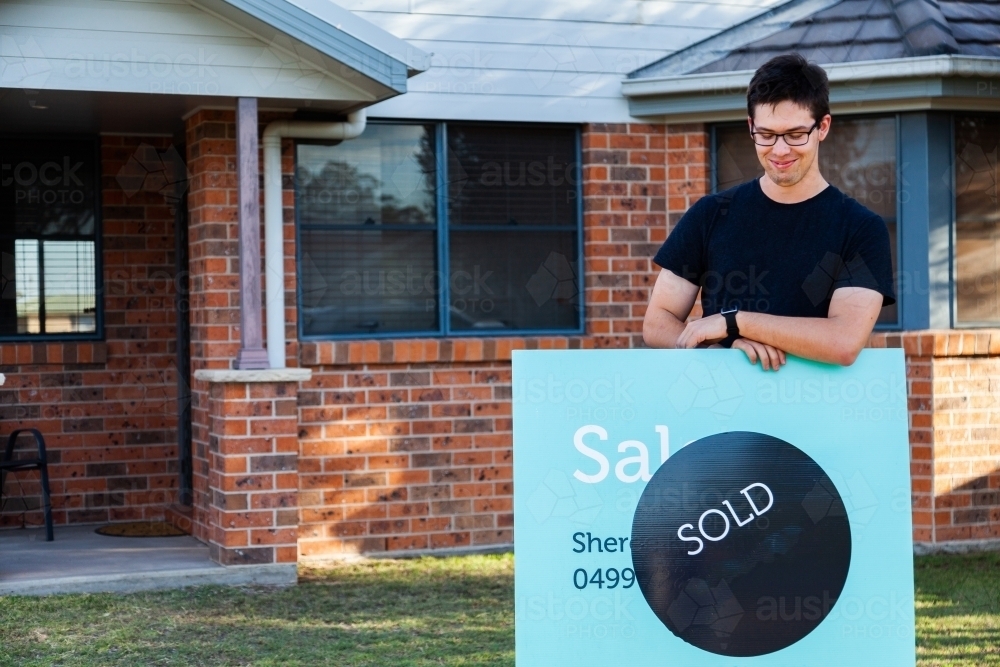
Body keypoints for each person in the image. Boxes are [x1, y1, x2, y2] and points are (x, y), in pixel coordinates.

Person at [642, 53, 895, 371]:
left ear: (823, 127)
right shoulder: (710, 215)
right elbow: (656, 323)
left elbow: (843, 342)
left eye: (795, 134)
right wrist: (725, 349)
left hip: (817, 412)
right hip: (723, 412)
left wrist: (735, 323)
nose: (779, 150)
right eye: (766, 134)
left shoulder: (860, 228)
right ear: (751, 126)